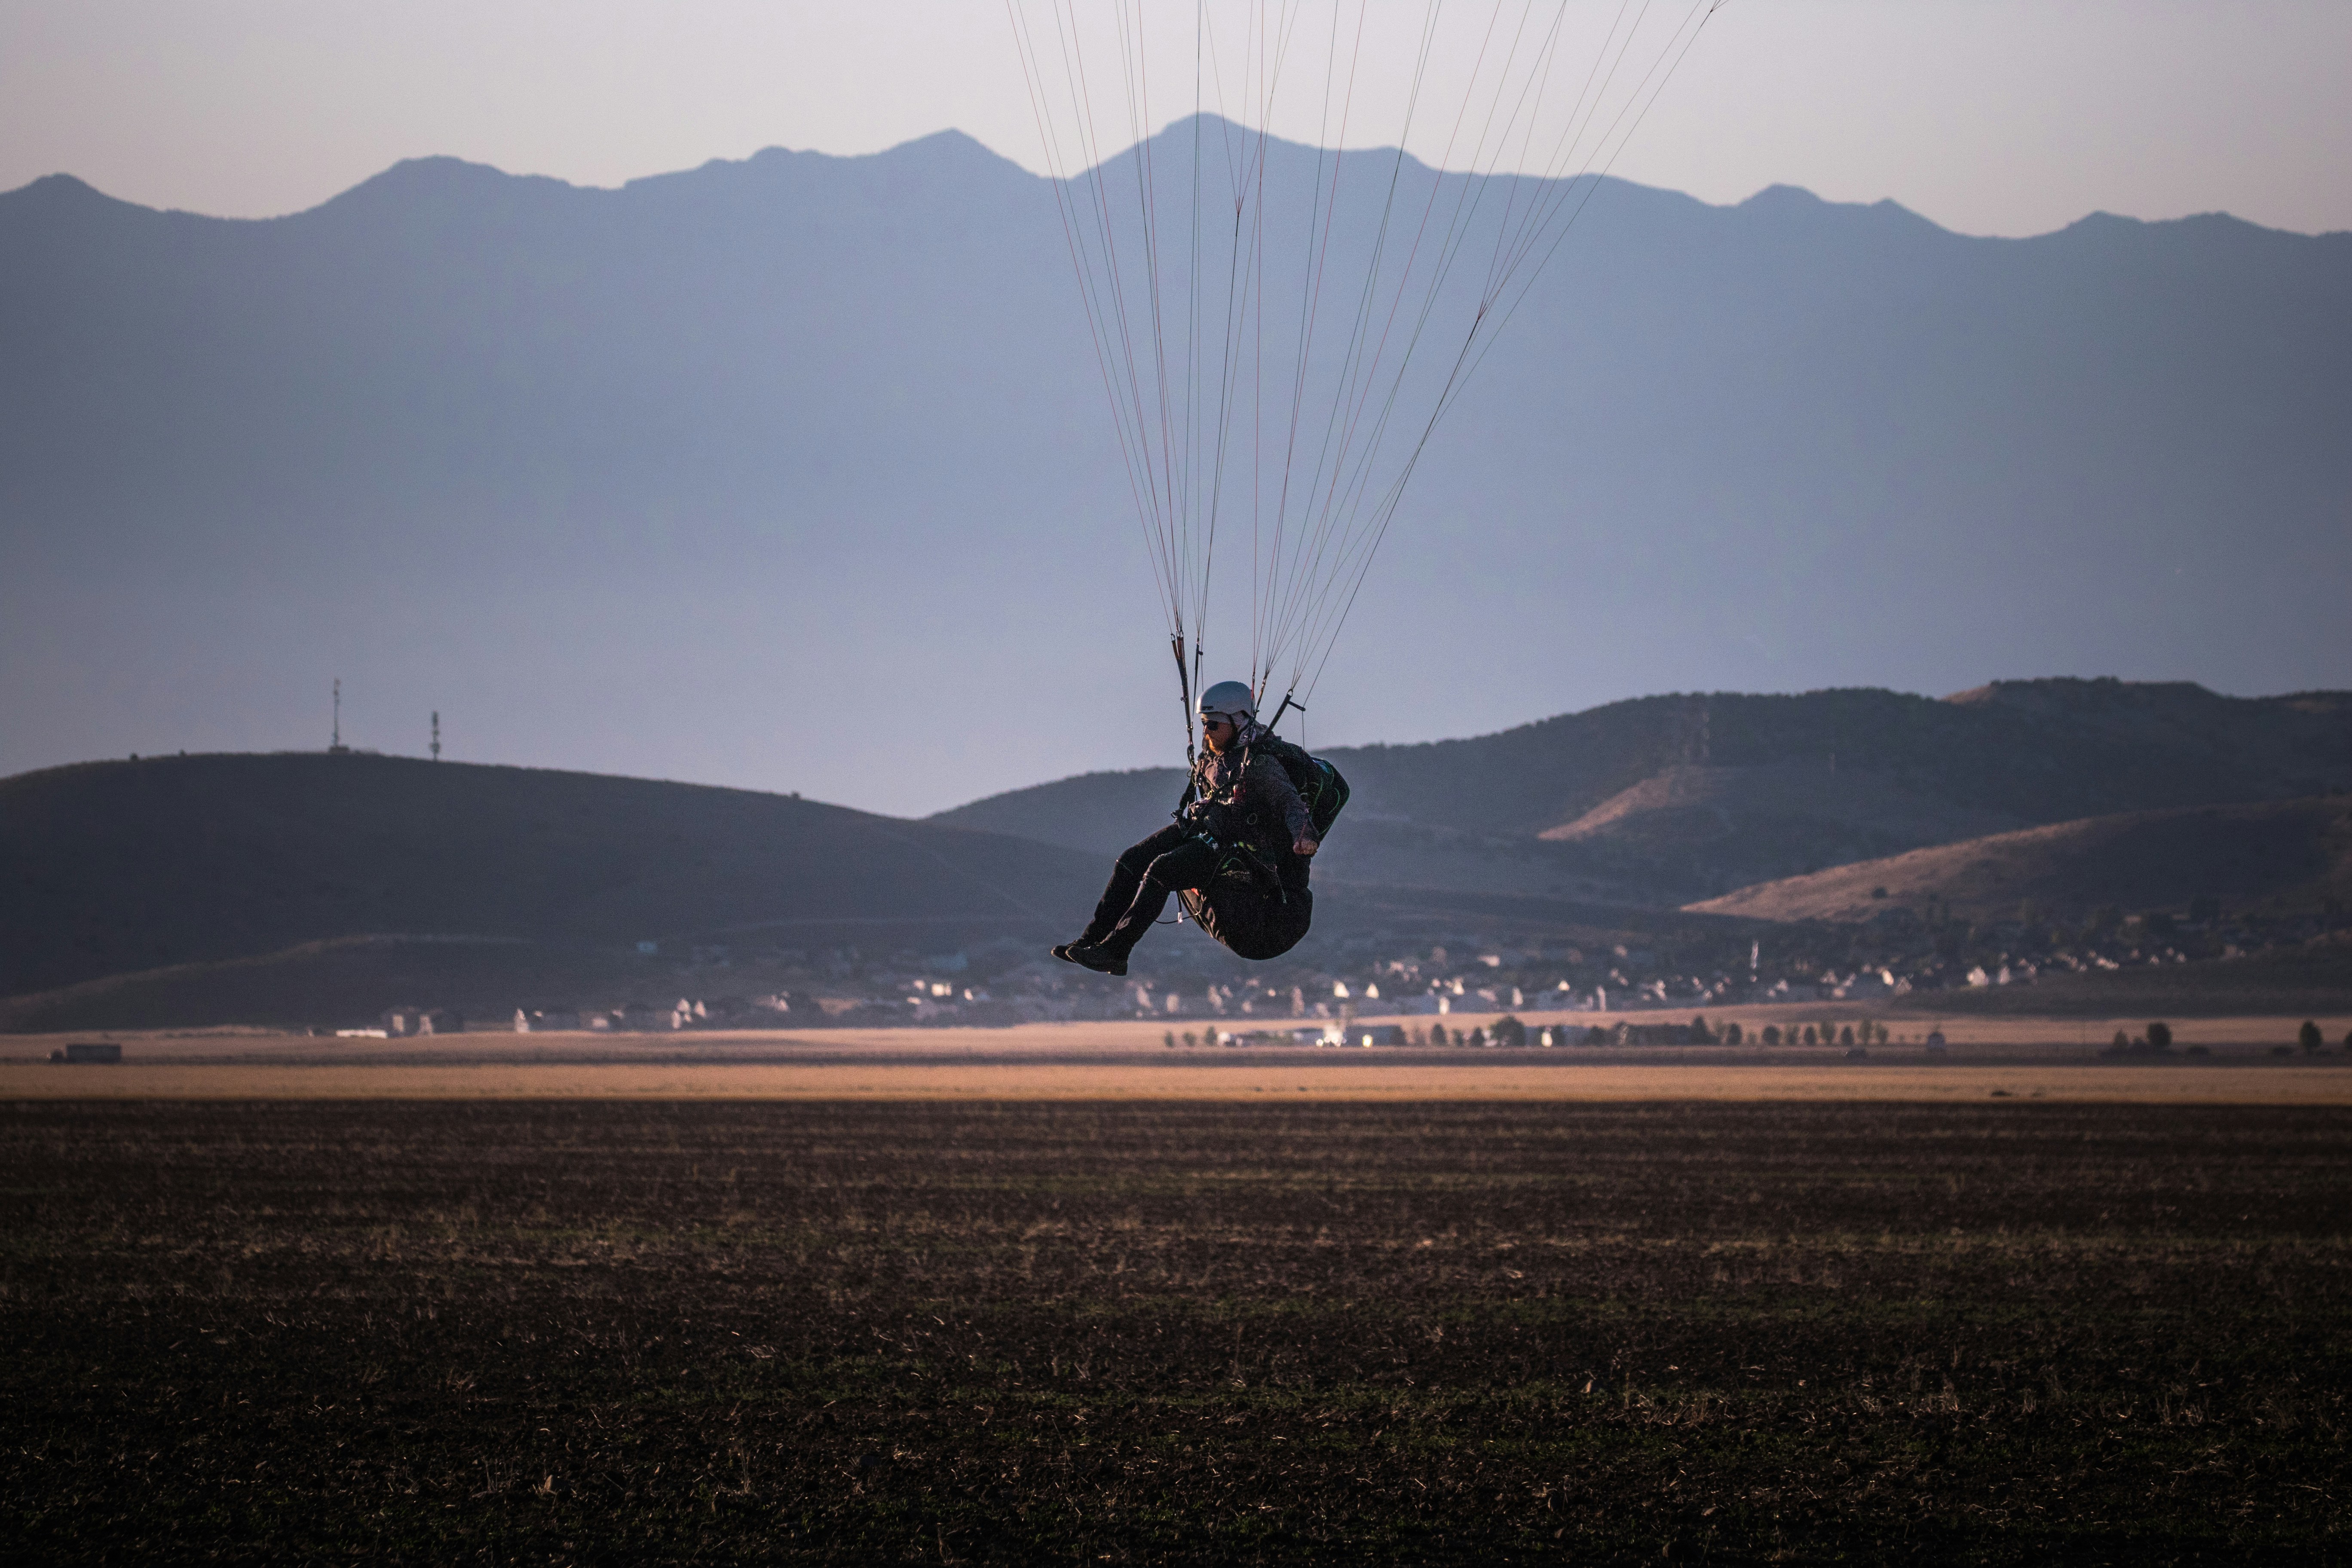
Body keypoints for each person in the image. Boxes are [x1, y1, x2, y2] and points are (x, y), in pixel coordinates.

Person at [1054, 681, 1319, 975]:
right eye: (1204, 724)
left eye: (1214, 724)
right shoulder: (1211, 755)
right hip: (1203, 826)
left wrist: (1303, 835)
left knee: (1162, 871)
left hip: (1232, 845)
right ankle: (1093, 940)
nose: (1207, 731)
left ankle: (1116, 952)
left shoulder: (1260, 762)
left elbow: (1290, 802)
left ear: (1239, 720)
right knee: (1130, 862)